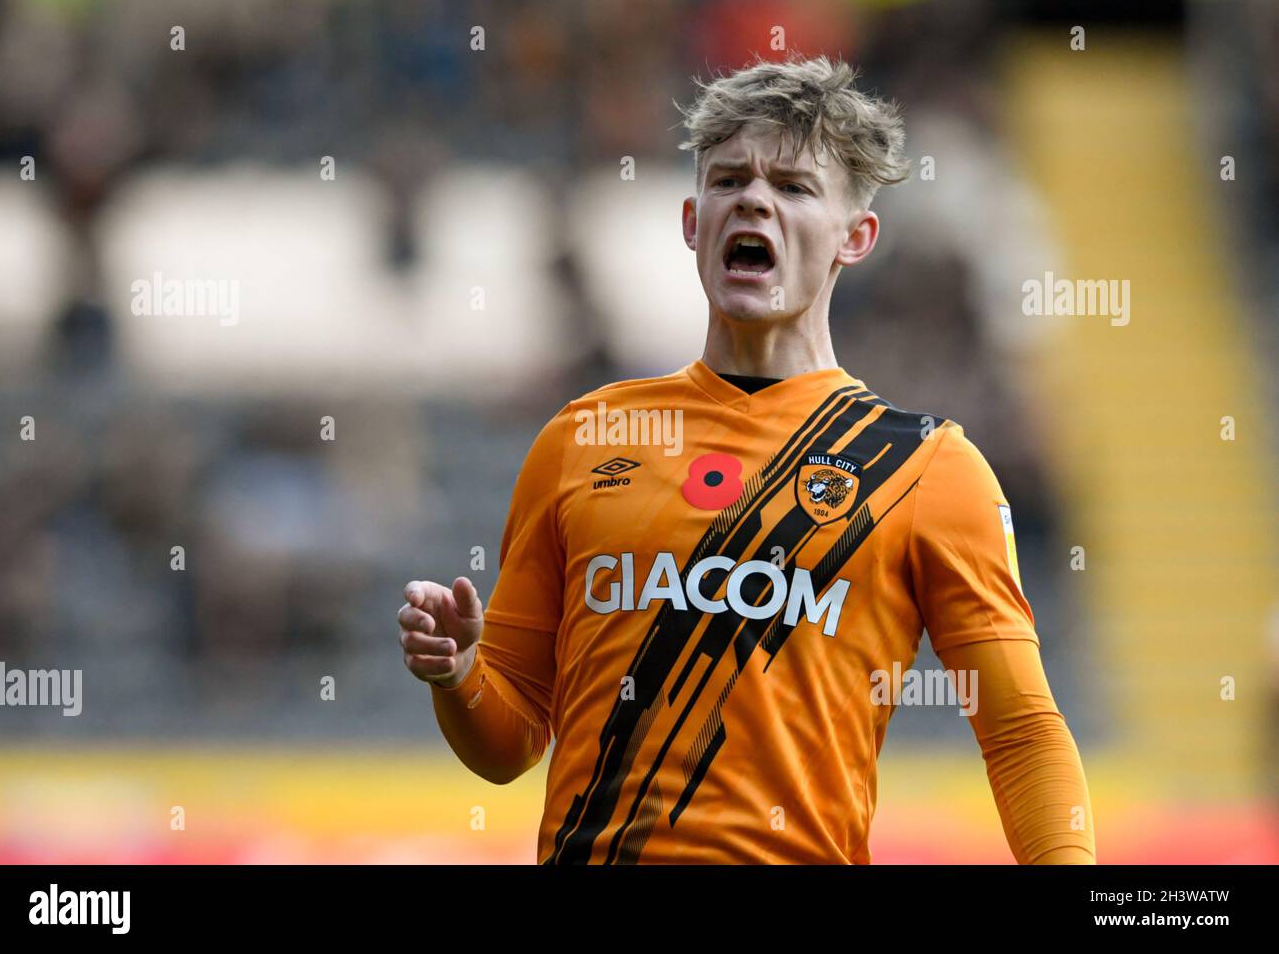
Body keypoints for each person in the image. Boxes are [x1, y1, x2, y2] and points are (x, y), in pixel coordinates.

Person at [399, 55, 1095, 864]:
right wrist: (458, 674)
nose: (754, 199)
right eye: (729, 180)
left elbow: (1022, 733)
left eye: (794, 187)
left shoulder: (928, 470)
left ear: (855, 237)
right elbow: (510, 741)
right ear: (694, 223)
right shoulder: (582, 439)